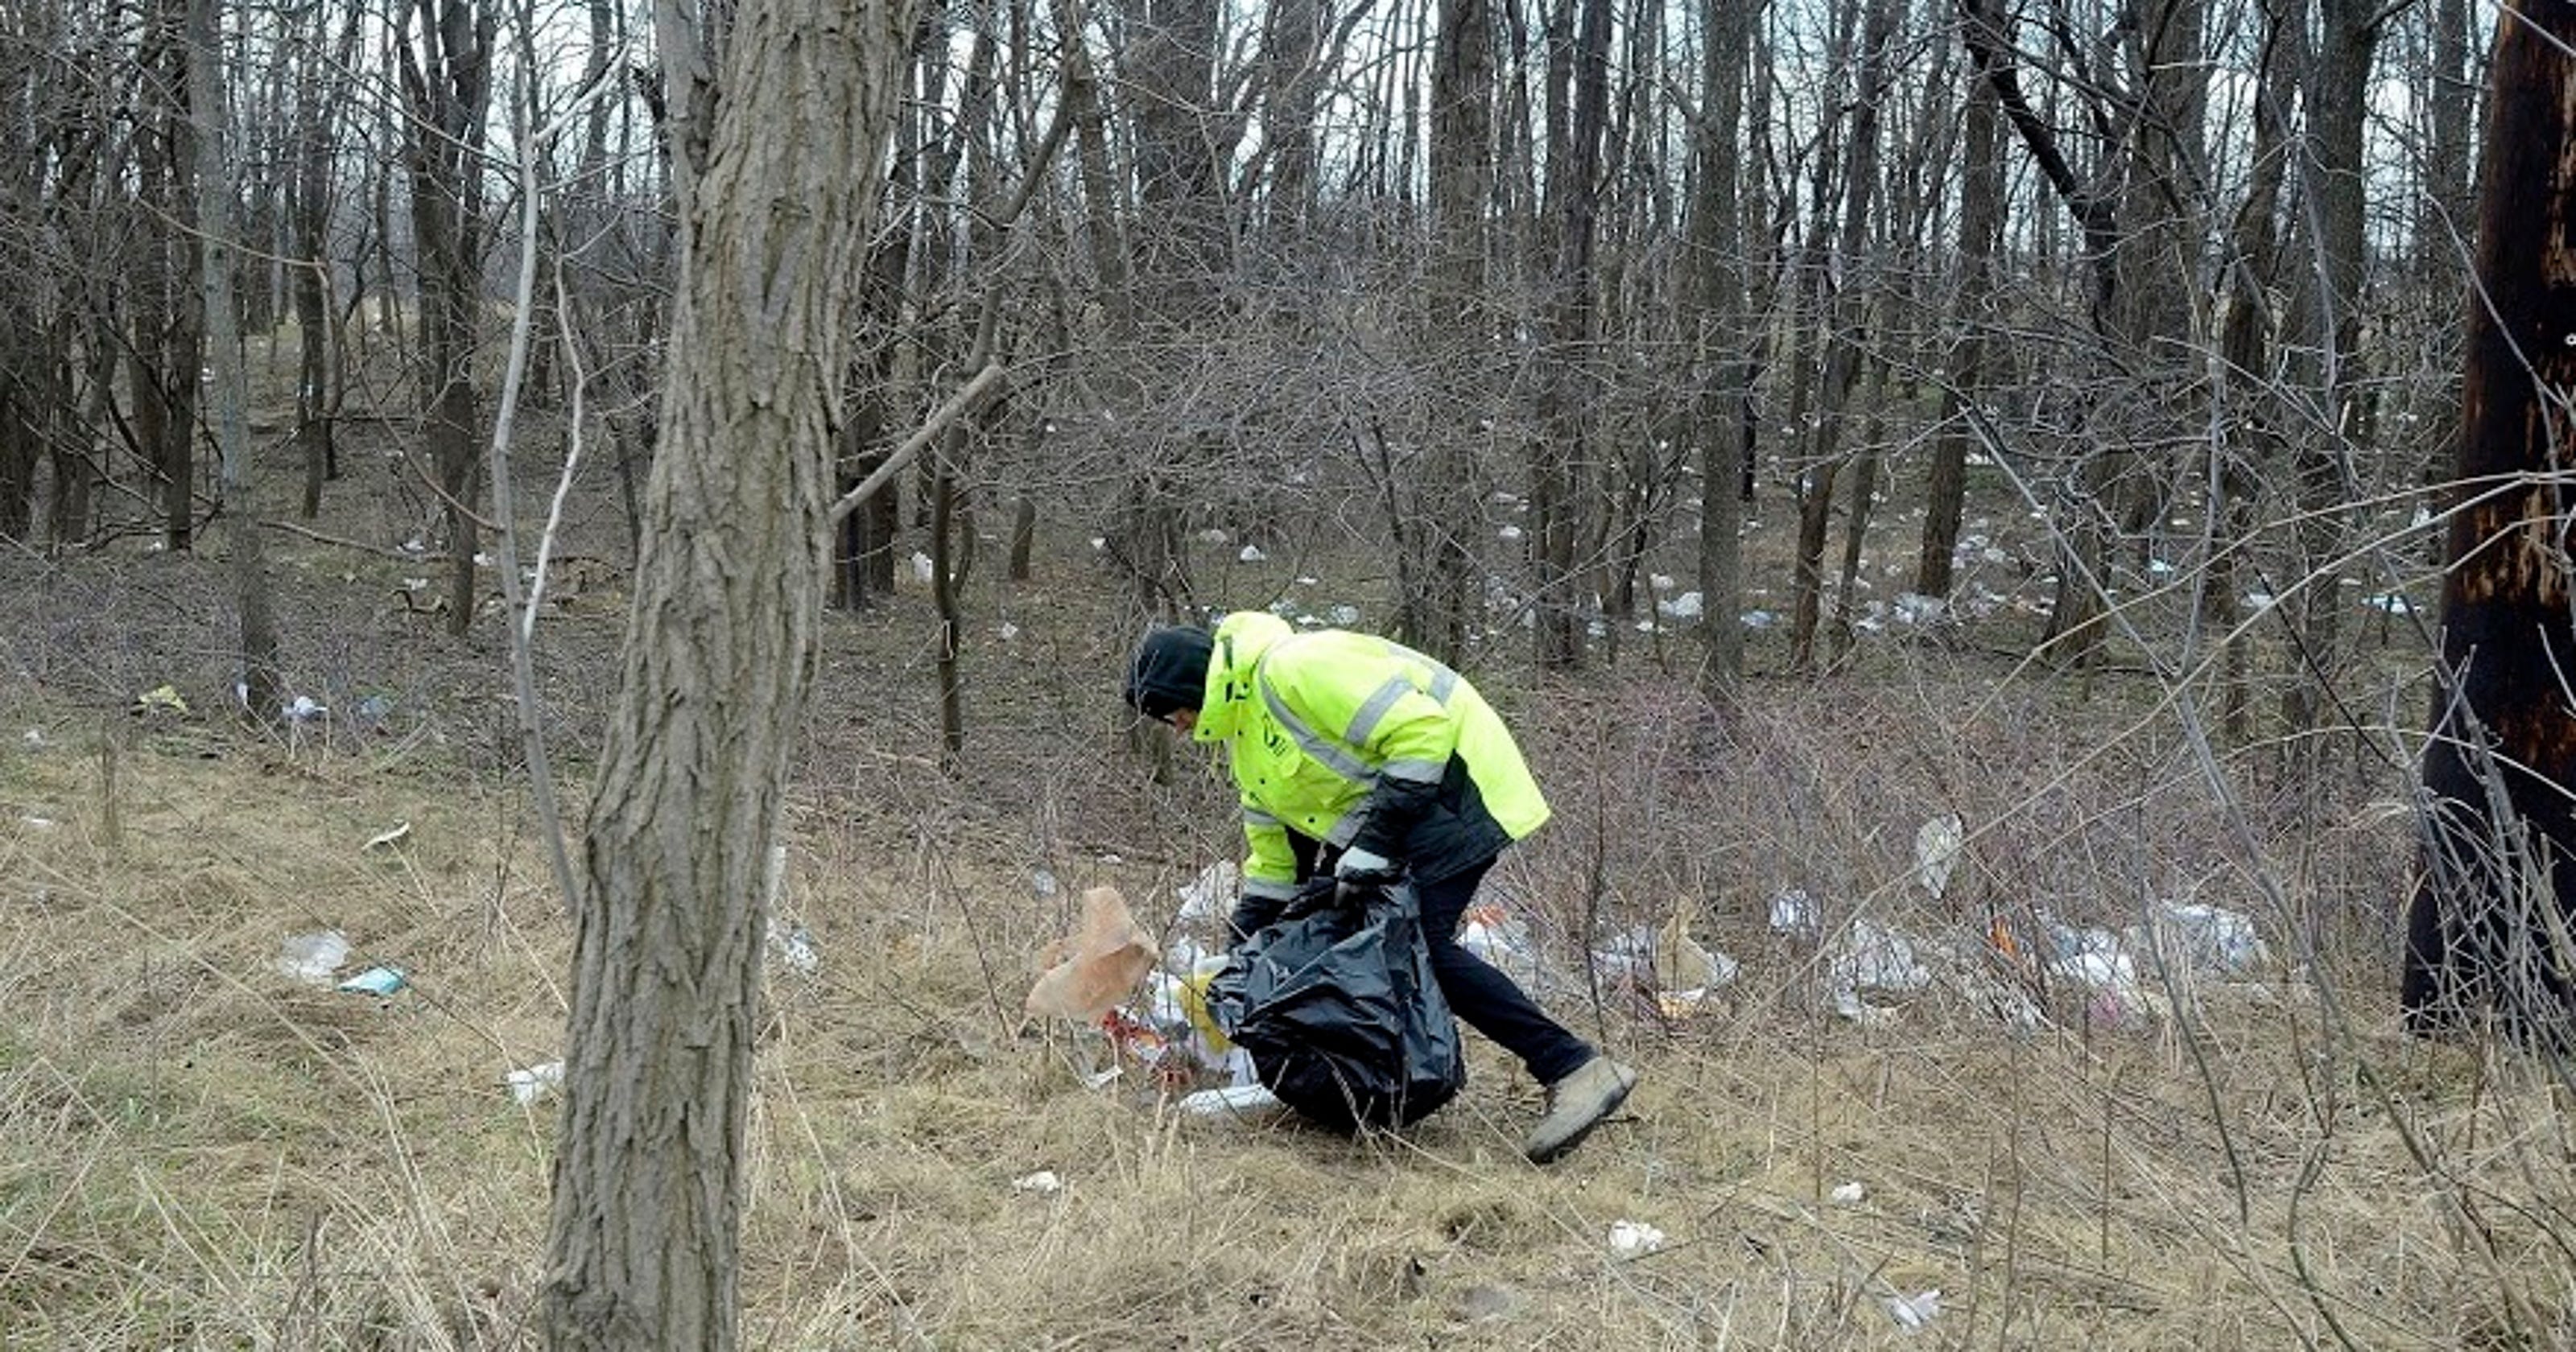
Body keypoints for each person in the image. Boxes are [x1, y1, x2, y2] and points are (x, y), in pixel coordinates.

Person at [1125, 610, 1637, 1164]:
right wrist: (1242, 950)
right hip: (1401, 813)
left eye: (1169, 711)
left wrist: (1375, 843)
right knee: (1338, 943)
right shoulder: (1248, 745)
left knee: (1419, 947)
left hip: (1456, 789)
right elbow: (1274, 861)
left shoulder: (1295, 668)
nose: (1176, 728)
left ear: (1190, 686)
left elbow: (1422, 733)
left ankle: (1575, 1068)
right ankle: (1359, 1092)